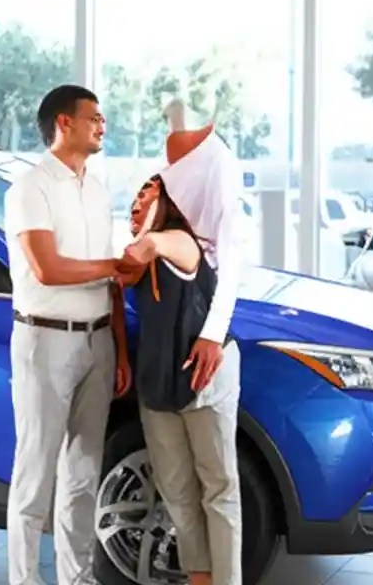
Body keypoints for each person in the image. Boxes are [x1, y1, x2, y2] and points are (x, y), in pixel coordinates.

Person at [4, 84, 131, 585]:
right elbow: (47, 268)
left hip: (97, 341)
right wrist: (116, 267)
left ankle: (78, 579)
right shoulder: (30, 188)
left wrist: (117, 347)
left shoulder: (96, 190)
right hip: (45, 340)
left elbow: (109, 285)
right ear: (64, 123)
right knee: (35, 476)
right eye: (94, 118)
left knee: (82, 476)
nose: (102, 126)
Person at [117, 103, 245, 585]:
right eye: (134, 194)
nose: (138, 199)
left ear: (169, 201)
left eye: (149, 190)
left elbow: (159, 247)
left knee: (219, 489)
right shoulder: (140, 257)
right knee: (176, 491)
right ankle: (200, 578)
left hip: (204, 379)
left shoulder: (180, 242)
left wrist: (144, 244)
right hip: (158, 382)